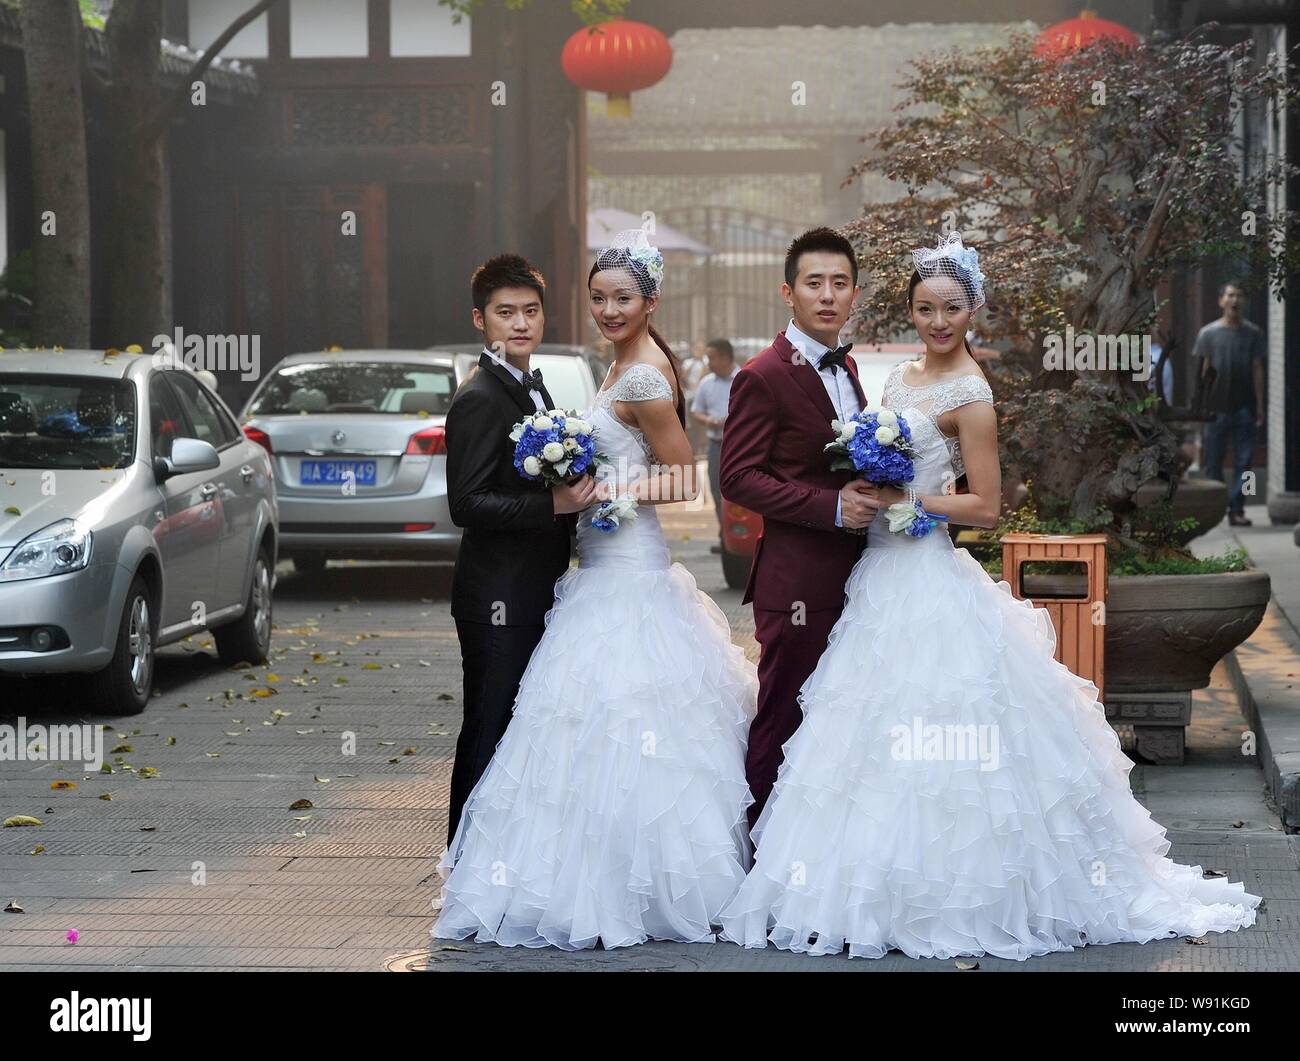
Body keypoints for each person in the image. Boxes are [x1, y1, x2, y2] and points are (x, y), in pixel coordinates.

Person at [718, 233, 1261, 960]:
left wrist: (920, 507)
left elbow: (987, 505)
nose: (937, 322)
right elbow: (786, 467)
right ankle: (822, 876)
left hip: (924, 572)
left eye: (951, 308)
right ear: (908, 310)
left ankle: (942, 889)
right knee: (836, 727)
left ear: (973, 308)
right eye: (924, 308)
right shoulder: (892, 379)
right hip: (870, 576)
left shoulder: (972, 392)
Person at [432, 230, 757, 950]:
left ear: (650, 301)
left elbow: (685, 478)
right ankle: (500, 868)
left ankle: (634, 884)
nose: (610, 309)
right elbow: (476, 496)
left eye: (623, 298)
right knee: (542, 726)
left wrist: (608, 489)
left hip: (629, 572)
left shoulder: (641, 376)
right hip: (583, 575)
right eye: (600, 298)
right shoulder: (602, 372)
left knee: (628, 725)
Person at [719, 226, 880, 829]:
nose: (828, 295)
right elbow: (738, 478)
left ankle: (811, 855)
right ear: (788, 292)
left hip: (857, 575)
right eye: (814, 283)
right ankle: (756, 862)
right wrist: (833, 507)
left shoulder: (850, 367)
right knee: (783, 715)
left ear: (855, 294)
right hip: (795, 584)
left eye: (840, 283)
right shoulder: (762, 374)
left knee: (833, 719)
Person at [442, 255, 596, 846]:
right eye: (505, 313)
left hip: (534, 587)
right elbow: (467, 503)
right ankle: (463, 863)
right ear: (481, 320)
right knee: (486, 725)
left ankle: (494, 859)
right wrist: (551, 507)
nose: (520, 324)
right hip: (496, 597)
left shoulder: (532, 386)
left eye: (530, 311)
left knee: (514, 726)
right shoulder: (481, 396)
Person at [1195, 281, 1266, 526]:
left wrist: (1260, 405)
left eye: (1239, 296)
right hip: (1215, 408)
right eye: (1230, 295)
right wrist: (1201, 405)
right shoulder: (1208, 333)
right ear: (1221, 300)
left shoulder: (1254, 333)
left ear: (1244, 301)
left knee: (1247, 463)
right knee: (1212, 461)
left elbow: (1258, 369)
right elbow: (1203, 371)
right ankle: (1215, 508)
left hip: (1245, 407)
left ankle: (1239, 508)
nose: (1235, 300)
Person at [690, 339, 739, 554]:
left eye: (712, 358)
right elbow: (696, 411)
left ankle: (739, 534)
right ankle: (725, 536)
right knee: (717, 491)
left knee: (739, 492)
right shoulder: (707, 383)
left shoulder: (744, 379)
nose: (708, 363)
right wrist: (709, 421)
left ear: (727, 357)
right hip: (716, 446)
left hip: (739, 446)